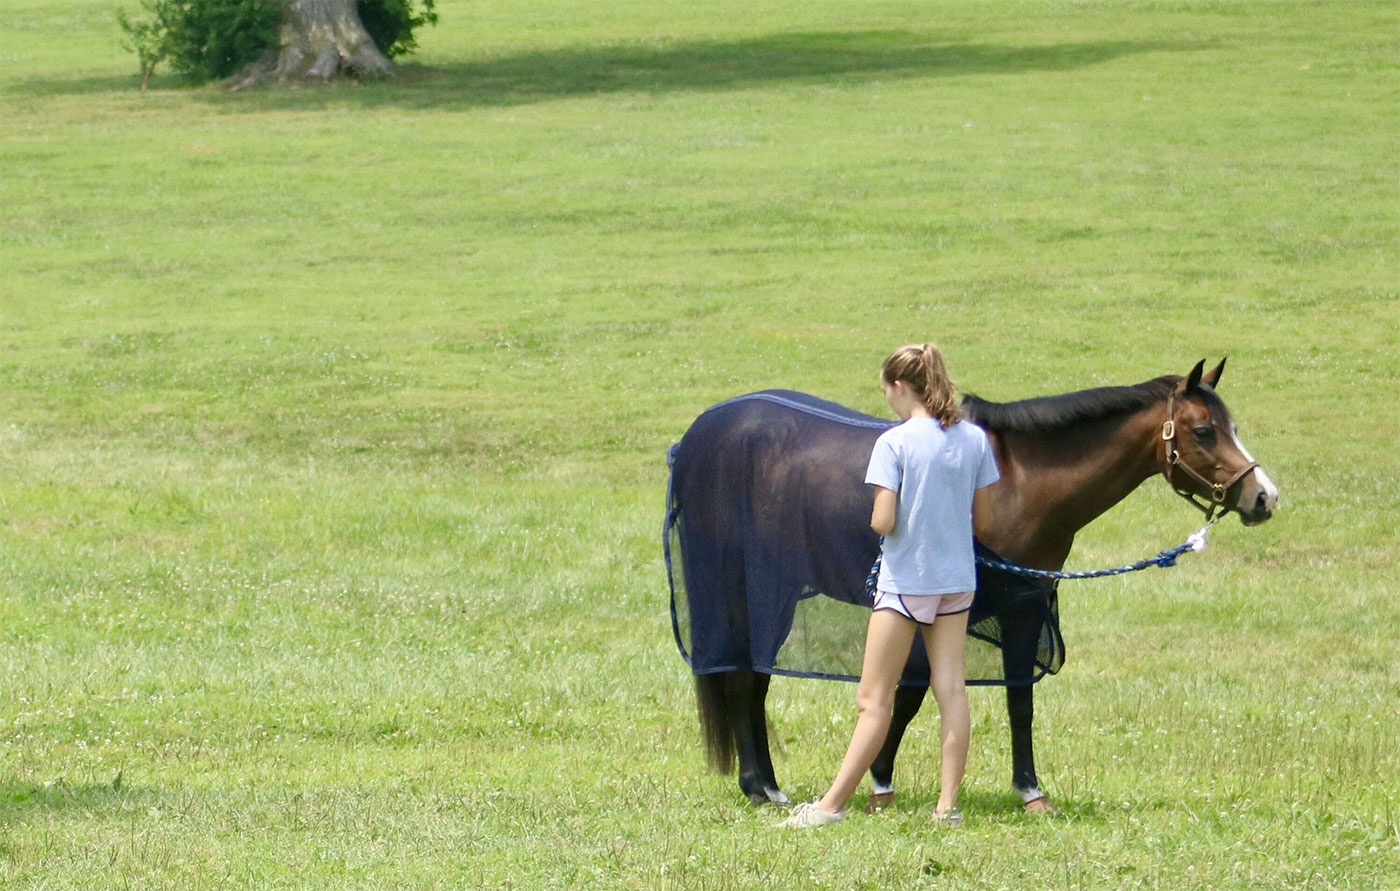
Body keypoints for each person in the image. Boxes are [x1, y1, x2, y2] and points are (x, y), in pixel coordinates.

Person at [778, 343, 1000, 829]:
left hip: (906, 584)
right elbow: (983, 520)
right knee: (952, 691)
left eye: (887, 392)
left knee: (873, 699)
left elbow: (883, 520)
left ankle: (829, 807)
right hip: (958, 582)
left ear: (901, 386)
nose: (888, 403)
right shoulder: (974, 440)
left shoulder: (894, 443)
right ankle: (948, 809)